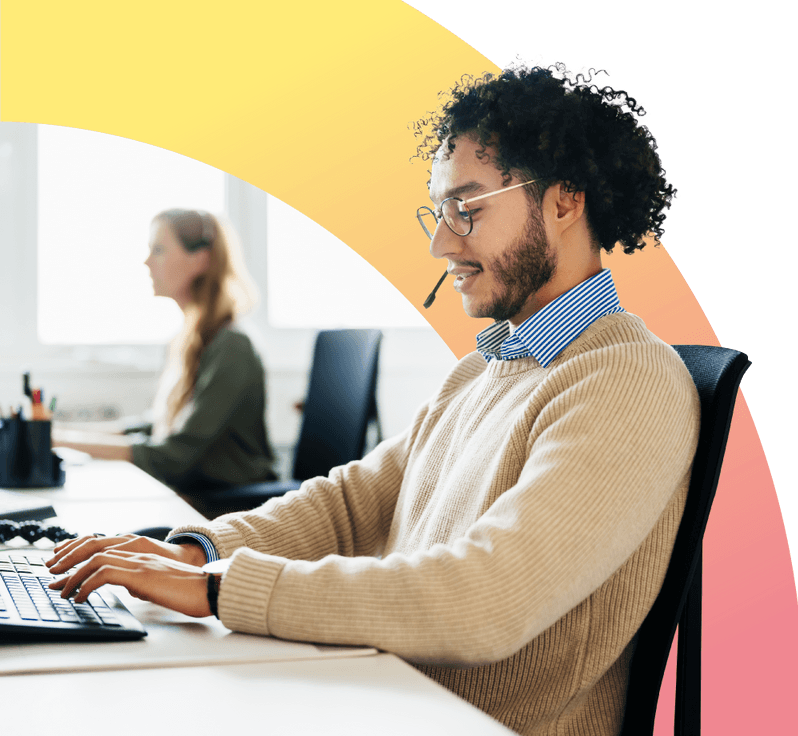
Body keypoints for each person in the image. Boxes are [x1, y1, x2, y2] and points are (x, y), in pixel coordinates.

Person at [47, 56, 700, 736]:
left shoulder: (627, 382)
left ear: (565, 200)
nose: (441, 243)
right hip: (387, 697)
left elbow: (486, 600)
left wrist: (218, 590)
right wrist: (197, 553)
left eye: (466, 209)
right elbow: (350, 505)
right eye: (439, 211)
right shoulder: (484, 371)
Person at [53, 209, 276, 501]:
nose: (146, 262)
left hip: (226, 507)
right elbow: (157, 426)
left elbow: (174, 455)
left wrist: (59, 440)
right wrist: (62, 433)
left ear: (201, 259)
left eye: (158, 249)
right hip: (195, 495)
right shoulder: (193, 339)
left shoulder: (232, 347)